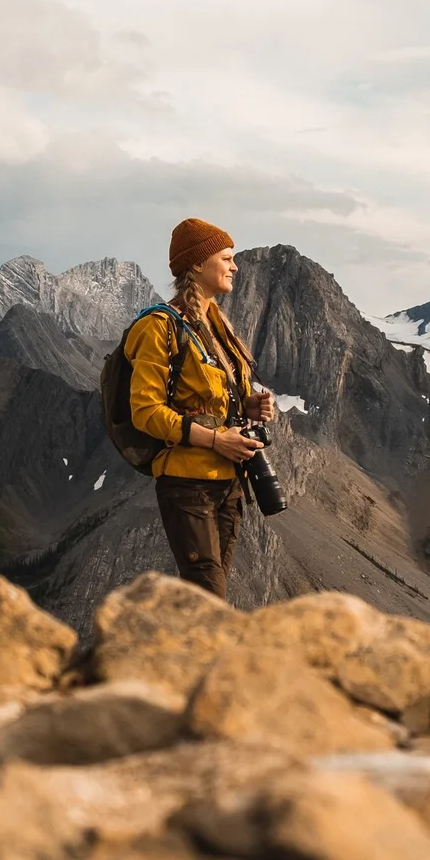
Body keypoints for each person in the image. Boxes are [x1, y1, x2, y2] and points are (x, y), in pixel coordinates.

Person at [125, 217, 275, 598]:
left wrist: (250, 405)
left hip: (229, 483)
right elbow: (145, 412)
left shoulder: (217, 327)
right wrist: (215, 441)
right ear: (197, 264)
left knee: (211, 599)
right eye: (226, 257)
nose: (234, 266)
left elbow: (212, 398)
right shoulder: (158, 327)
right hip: (187, 485)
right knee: (207, 596)